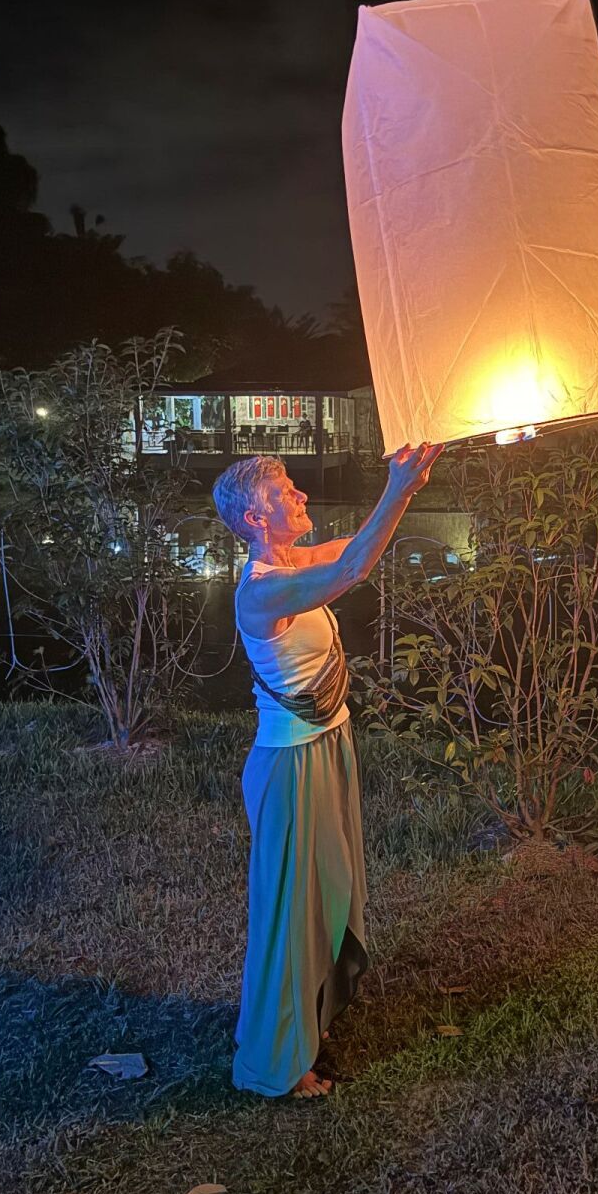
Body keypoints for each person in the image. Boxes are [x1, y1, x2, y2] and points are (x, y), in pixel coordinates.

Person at [211, 442, 442, 1099]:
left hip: (325, 748)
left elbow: (358, 547)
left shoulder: (292, 561)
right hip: (292, 766)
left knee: (327, 893)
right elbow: (352, 567)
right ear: (256, 517)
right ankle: (273, 1065)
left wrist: (408, 486)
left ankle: (309, 1017)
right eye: (286, 491)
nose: (302, 496)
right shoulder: (262, 591)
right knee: (292, 915)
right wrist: (395, 485)